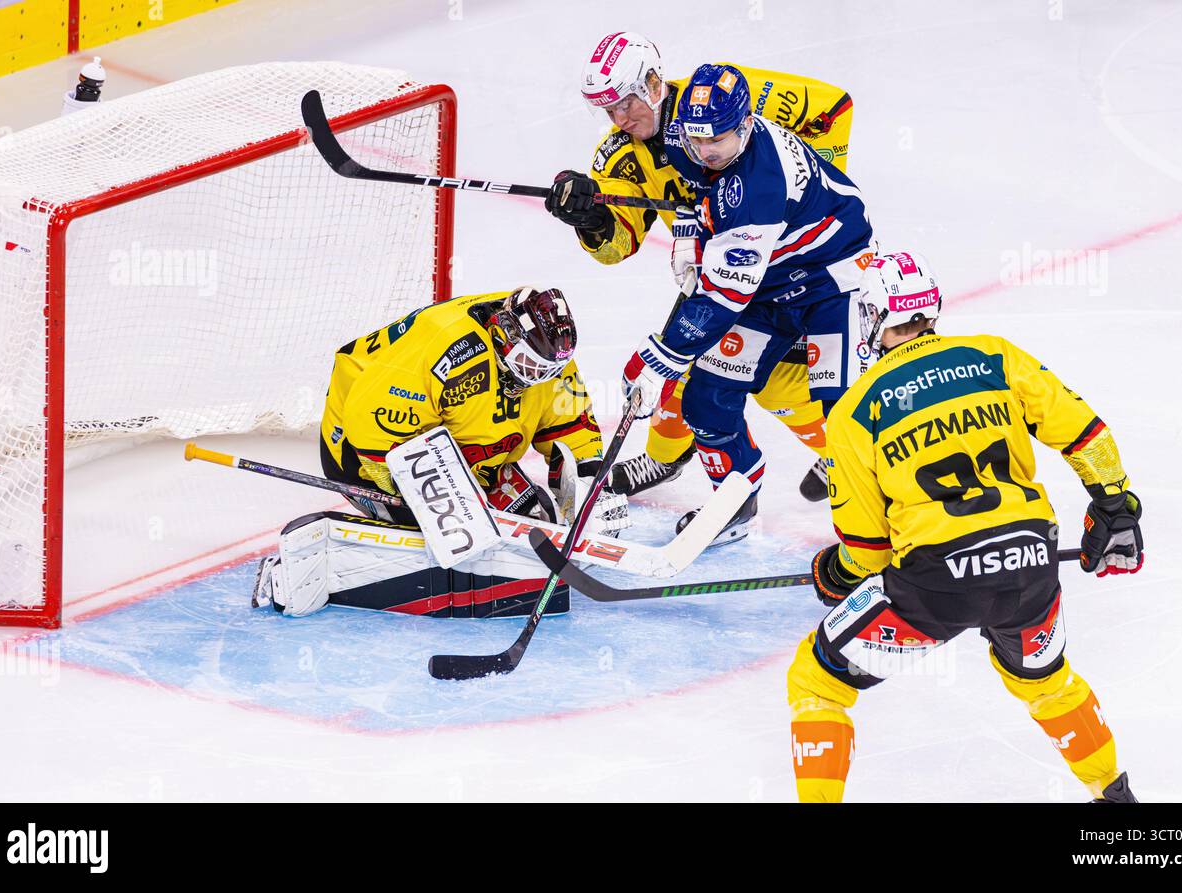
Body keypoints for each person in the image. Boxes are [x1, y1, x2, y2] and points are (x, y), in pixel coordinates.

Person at [786, 251, 1143, 803]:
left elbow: (867, 550)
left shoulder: (855, 408)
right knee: (1046, 683)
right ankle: (1114, 800)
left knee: (817, 681)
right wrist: (1115, 508)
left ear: (873, 317)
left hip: (934, 585)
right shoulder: (994, 357)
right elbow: (1086, 433)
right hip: (1030, 564)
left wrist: (835, 572)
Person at [546, 32, 858, 501]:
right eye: (608, 110)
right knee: (691, 364)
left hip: (795, 261)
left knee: (782, 382)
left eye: (627, 102)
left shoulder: (718, 97)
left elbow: (831, 107)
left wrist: (805, 187)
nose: (620, 119)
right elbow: (616, 245)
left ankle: (849, 454)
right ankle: (667, 457)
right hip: (722, 264)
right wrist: (589, 215)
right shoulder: (621, 155)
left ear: (652, 83)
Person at [252, 287, 628, 619]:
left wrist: (590, 480)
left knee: (530, 543)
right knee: (453, 542)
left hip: (476, 460)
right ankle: (300, 570)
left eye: (547, 370)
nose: (537, 378)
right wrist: (428, 502)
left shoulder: (543, 348)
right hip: (371, 453)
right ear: (505, 337)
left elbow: (570, 422)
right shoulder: (447, 350)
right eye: (530, 368)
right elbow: (372, 429)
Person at [619, 63, 876, 544]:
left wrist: (661, 356)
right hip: (770, 277)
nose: (704, 152)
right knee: (706, 397)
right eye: (696, 141)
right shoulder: (688, 136)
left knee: (843, 411)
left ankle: (879, 524)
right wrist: (690, 231)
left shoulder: (760, 185)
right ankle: (734, 502)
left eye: (716, 141)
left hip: (831, 280)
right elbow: (699, 188)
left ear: (746, 124)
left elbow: (725, 295)